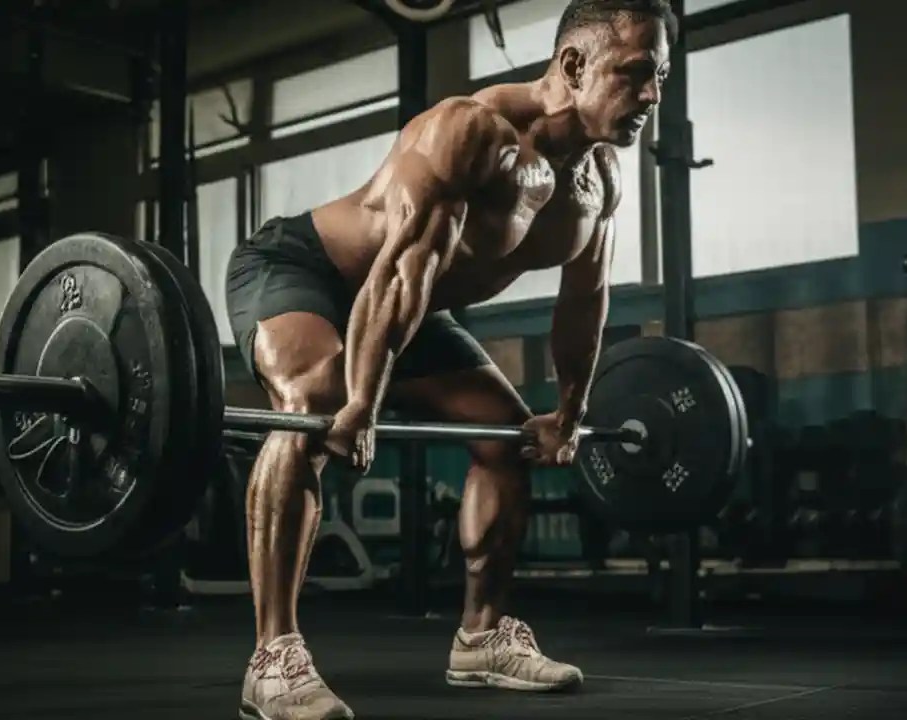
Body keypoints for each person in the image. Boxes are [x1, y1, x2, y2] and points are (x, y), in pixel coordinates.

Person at [225, 1, 675, 717]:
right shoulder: (471, 133)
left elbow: (585, 303)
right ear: (573, 65)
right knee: (310, 405)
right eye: (635, 74)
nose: (652, 95)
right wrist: (360, 403)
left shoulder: (600, 182)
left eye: (661, 77)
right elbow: (399, 271)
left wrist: (568, 411)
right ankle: (272, 657)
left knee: (507, 438)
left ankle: (482, 635)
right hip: (306, 271)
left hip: (410, 309)